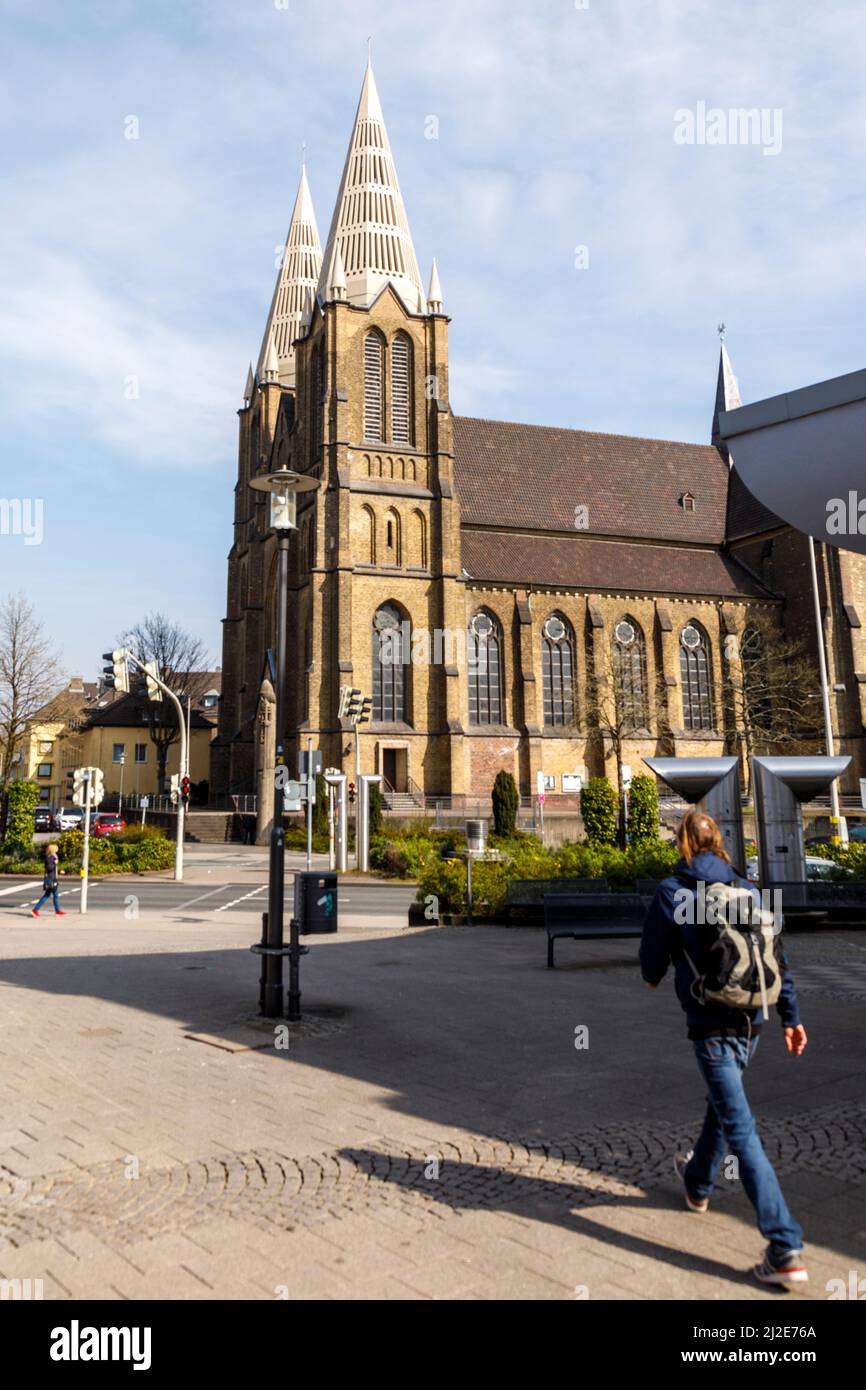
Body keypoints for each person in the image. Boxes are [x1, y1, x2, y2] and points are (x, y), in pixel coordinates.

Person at [640, 809, 808, 1289]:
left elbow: (651, 962)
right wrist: (791, 1019)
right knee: (724, 1105)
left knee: (740, 1128)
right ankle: (697, 1185)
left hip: (712, 1026)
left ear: (683, 846)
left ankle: (784, 1245)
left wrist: (654, 976)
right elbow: (779, 958)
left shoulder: (674, 892)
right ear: (720, 845)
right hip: (753, 1021)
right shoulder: (749, 888)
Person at [31, 841, 65, 918]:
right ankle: (36, 910)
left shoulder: (53, 857)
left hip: (52, 878)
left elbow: (53, 869)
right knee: (50, 895)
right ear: (53, 850)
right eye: (56, 849)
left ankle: (57, 911)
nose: (57, 850)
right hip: (51, 879)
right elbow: (49, 868)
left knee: (50, 895)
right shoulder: (50, 858)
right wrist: (55, 863)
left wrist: (59, 870)